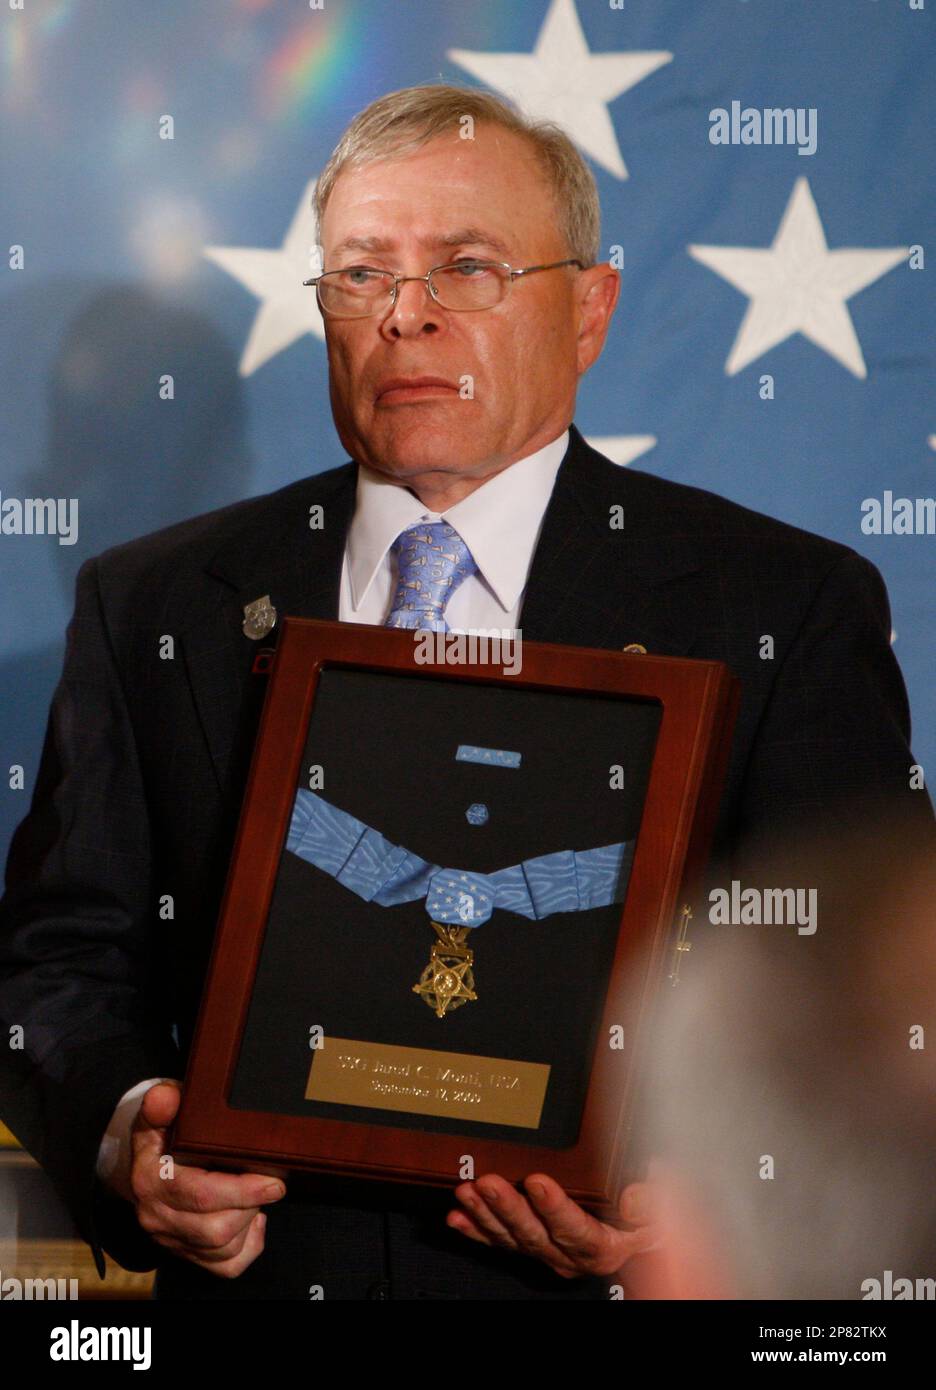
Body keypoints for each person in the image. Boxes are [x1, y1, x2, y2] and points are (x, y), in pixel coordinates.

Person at [0, 84, 929, 1301]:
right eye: (360, 274)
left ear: (588, 311)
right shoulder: (155, 605)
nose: (405, 318)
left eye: (469, 268)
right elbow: (60, 958)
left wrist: (691, 1210)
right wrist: (134, 1140)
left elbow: (855, 996)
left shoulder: (784, 605)